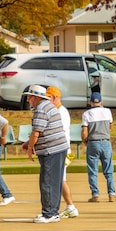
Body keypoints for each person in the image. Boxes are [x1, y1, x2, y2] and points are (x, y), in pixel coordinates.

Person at [20, 85, 68, 223]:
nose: (28, 100)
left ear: (35, 98)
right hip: (58, 148)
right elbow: (40, 131)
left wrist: (30, 148)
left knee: (47, 182)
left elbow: (36, 132)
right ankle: (53, 212)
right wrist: (28, 143)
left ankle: (49, 214)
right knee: (54, 181)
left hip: (51, 150)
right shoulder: (50, 106)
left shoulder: (41, 109)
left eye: (29, 97)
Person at [44, 86, 79, 219]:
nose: (46, 101)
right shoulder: (56, 110)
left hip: (63, 150)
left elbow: (58, 131)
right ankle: (69, 207)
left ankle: (70, 207)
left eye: (48, 98)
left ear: (54, 97)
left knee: (60, 179)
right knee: (60, 179)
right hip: (61, 149)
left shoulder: (61, 112)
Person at [81, 91, 116, 202]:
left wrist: (85, 141)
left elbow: (84, 132)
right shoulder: (107, 111)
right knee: (108, 170)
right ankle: (112, 194)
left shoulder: (86, 114)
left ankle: (95, 194)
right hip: (106, 142)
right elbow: (111, 126)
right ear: (101, 102)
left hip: (93, 142)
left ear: (90, 102)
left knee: (93, 170)